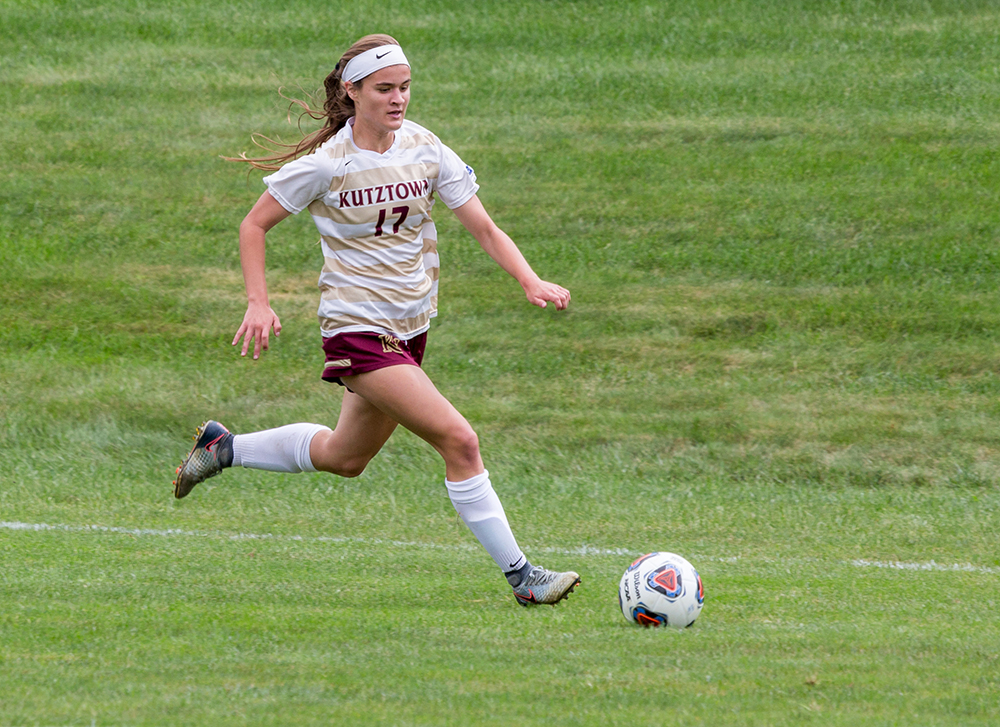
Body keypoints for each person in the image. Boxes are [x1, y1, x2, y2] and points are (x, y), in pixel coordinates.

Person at [172, 34, 579, 606]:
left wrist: (529, 279)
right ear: (353, 91)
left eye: (405, 87)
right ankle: (523, 578)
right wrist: (258, 301)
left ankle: (224, 447)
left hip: (410, 327)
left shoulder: (426, 148)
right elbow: (253, 225)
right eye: (385, 89)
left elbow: (485, 227)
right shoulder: (327, 165)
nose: (398, 99)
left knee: (346, 458)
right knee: (460, 441)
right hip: (357, 329)